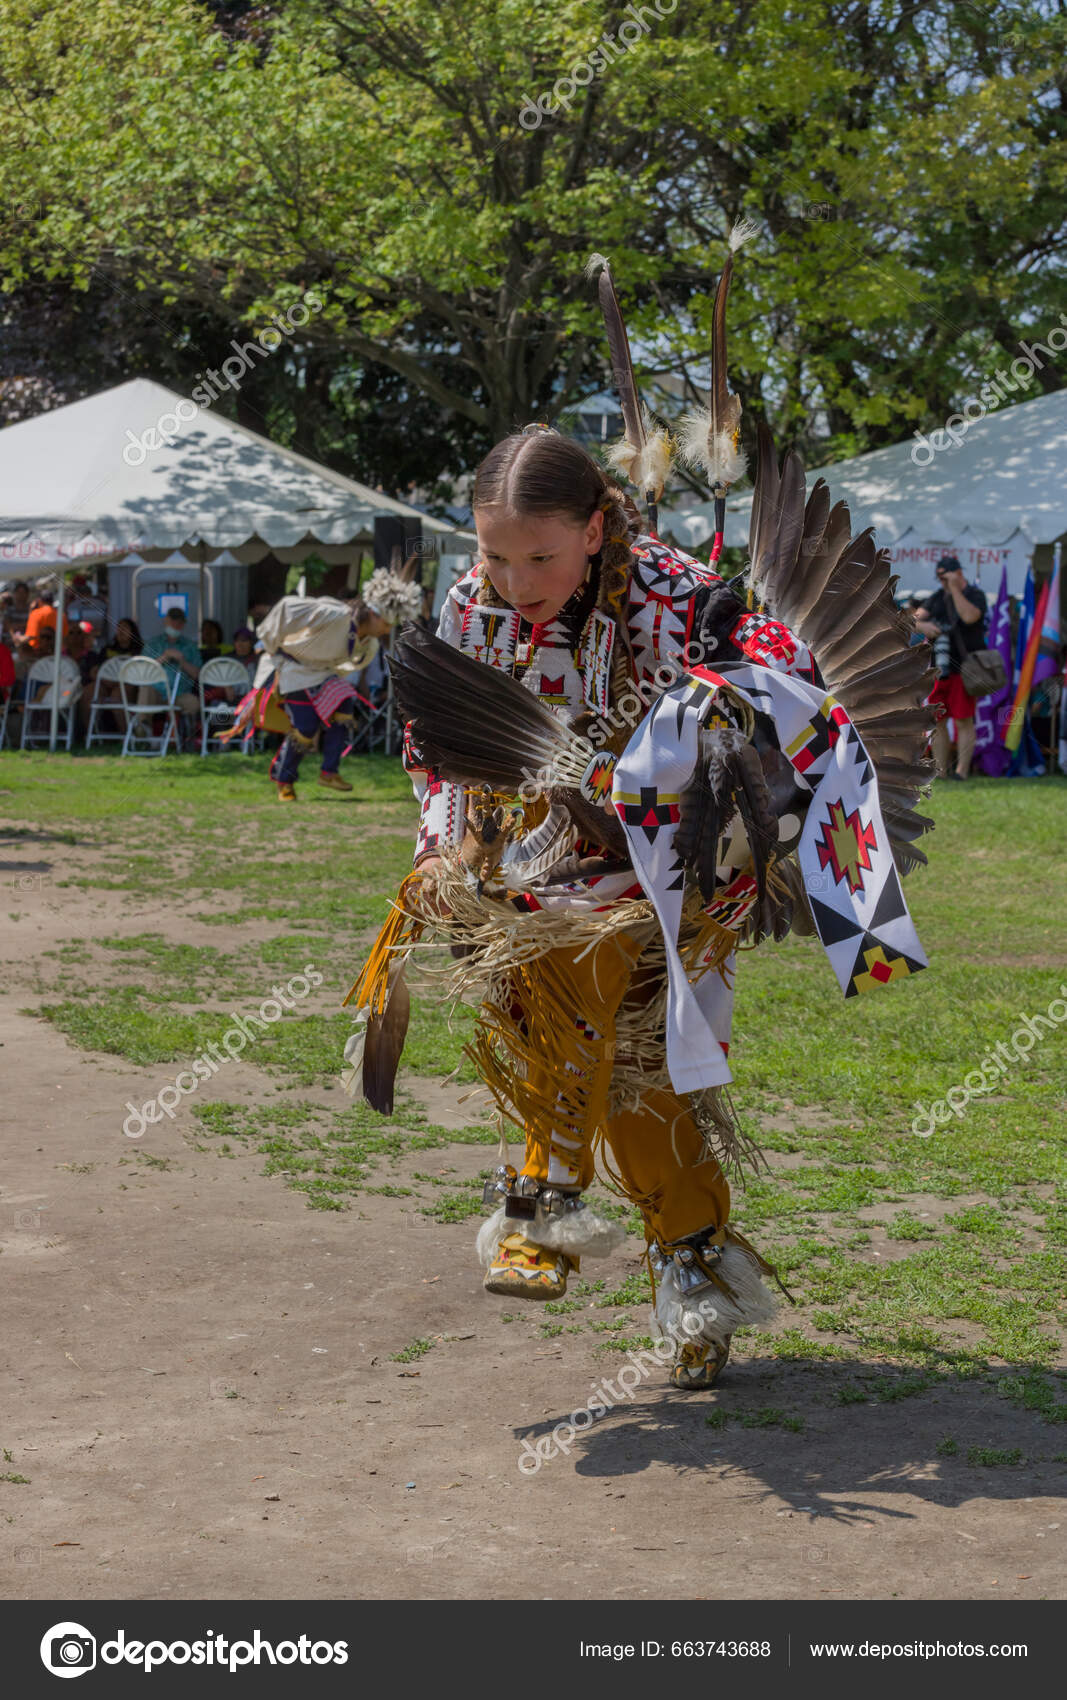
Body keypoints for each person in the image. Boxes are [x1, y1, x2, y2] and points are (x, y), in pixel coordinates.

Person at [349, 424, 932, 1392]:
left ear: (593, 526)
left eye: (539, 556)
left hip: (679, 858)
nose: (513, 578)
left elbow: (794, 707)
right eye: (493, 554)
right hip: (535, 850)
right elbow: (437, 745)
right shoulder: (468, 604)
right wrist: (442, 847)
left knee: (639, 1043)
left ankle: (551, 1207)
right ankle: (687, 1266)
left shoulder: (685, 603)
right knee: (570, 1019)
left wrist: (689, 741)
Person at [255, 578, 418, 800]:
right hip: (293, 670)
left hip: (321, 673)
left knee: (344, 700)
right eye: (387, 624)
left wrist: (329, 676)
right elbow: (287, 607)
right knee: (305, 729)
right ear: (373, 614)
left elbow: (347, 667)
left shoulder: (369, 644)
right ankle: (284, 781)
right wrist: (270, 642)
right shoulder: (336, 614)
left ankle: (329, 772)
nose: (387, 630)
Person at [914, 556, 988, 779]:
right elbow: (911, 620)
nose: (943, 582)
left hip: (965, 670)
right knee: (938, 720)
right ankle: (941, 771)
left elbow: (969, 616)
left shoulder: (975, 595)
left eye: (946, 576)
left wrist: (955, 589)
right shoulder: (937, 597)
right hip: (939, 669)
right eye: (940, 578)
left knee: (964, 719)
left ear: (959, 573)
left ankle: (962, 771)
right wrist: (923, 625)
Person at [140, 606, 201, 733]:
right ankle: (143, 734)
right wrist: (163, 658)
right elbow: (143, 672)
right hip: (156, 692)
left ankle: (187, 737)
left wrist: (182, 661)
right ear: (166, 620)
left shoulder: (190, 646)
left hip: (180, 693)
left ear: (183, 624)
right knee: (145, 690)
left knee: (194, 703)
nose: (175, 624)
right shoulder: (153, 644)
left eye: (178, 621)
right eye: (172, 620)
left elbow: (197, 675)